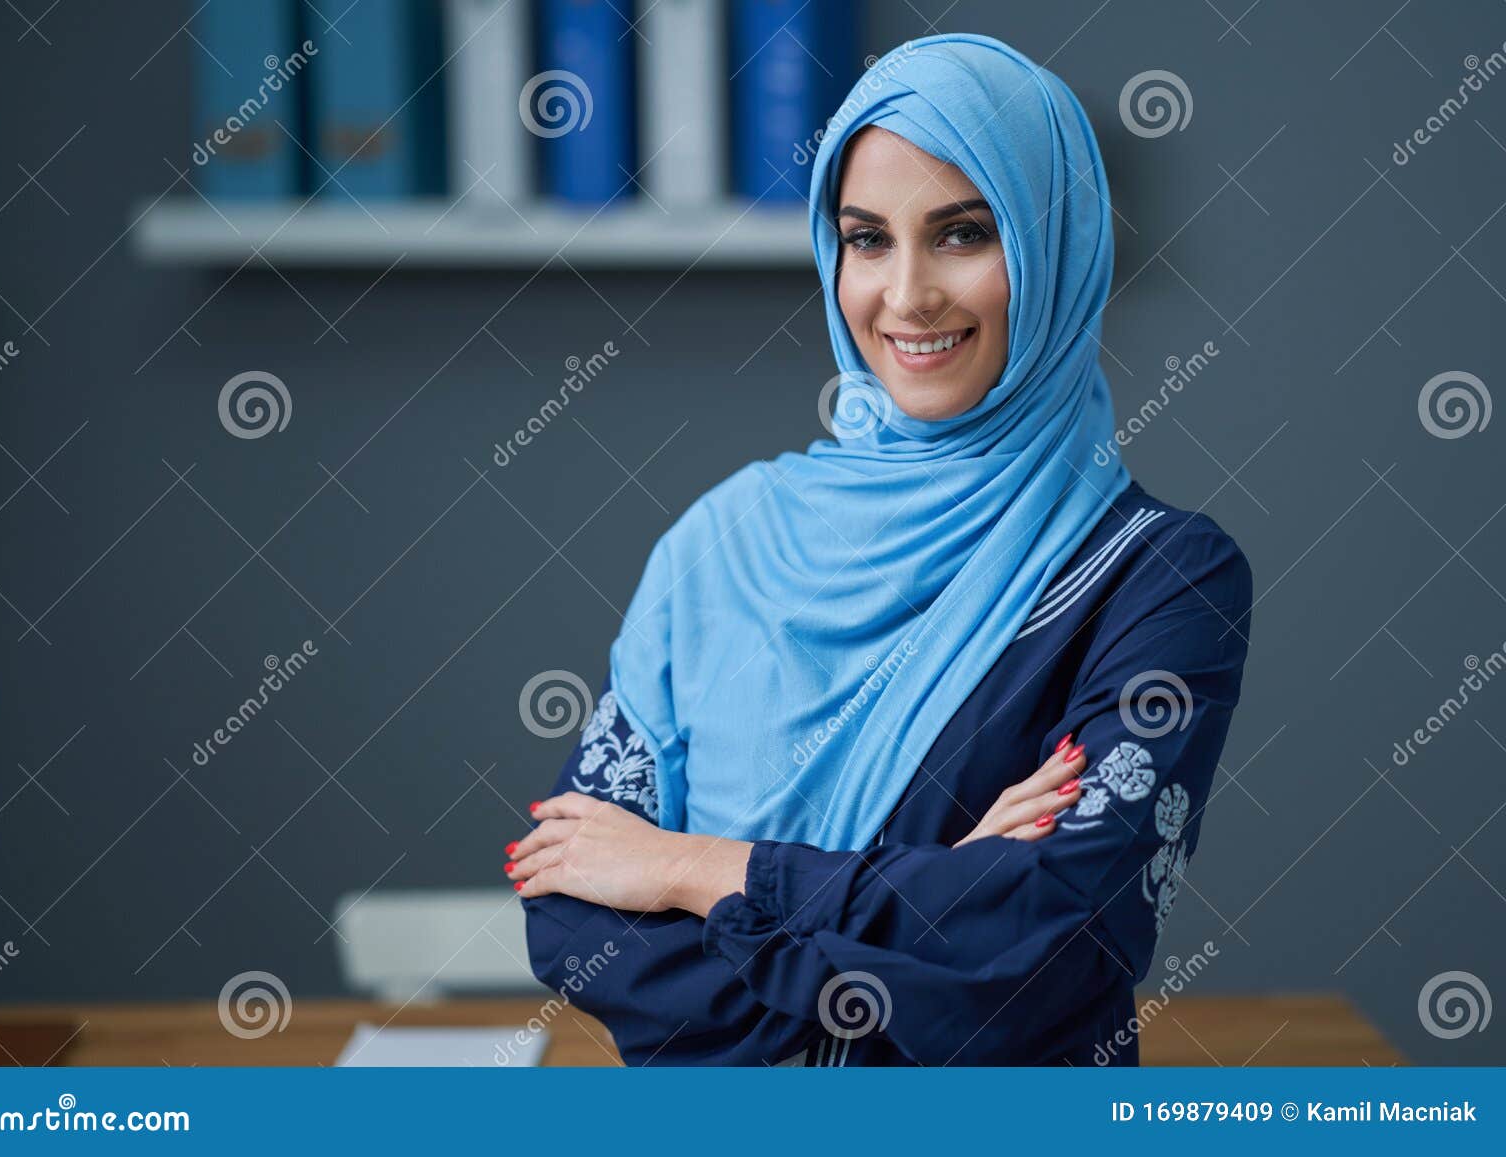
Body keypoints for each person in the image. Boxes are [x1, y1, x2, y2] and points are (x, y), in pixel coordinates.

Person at [505, 33, 1253, 1066]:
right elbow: (575, 927)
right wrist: (942, 894)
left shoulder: (1159, 577)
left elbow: (1058, 947)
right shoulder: (722, 541)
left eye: (962, 233)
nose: (907, 294)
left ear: (1058, 247)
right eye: (866, 239)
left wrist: (690, 868)